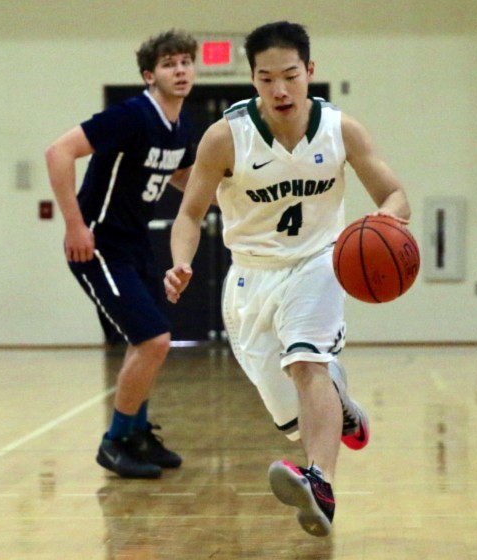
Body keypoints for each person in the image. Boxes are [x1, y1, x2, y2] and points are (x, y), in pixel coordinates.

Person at [164, 21, 411, 536]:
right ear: (251, 78)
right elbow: (189, 215)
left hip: (320, 263)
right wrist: (180, 261)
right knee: (293, 418)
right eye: (266, 77)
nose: (280, 89)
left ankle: (321, 483)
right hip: (251, 276)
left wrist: (385, 223)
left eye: (291, 75)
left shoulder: (341, 129)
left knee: (305, 363)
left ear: (310, 72)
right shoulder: (224, 138)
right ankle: (340, 408)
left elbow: (395, 195)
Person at [45, 29, 198, 479]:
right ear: (150, 75)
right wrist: (74, 224)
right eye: (170, 64)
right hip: (99, 244)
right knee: (154, 340)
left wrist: (232, 196)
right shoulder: (131, 116)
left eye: (186, 61)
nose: (181, 69)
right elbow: (58, 152)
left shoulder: (180, 126)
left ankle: (135, 433)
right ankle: (114, 441)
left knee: (148, 344)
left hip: (135, 245)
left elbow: (184, 177)